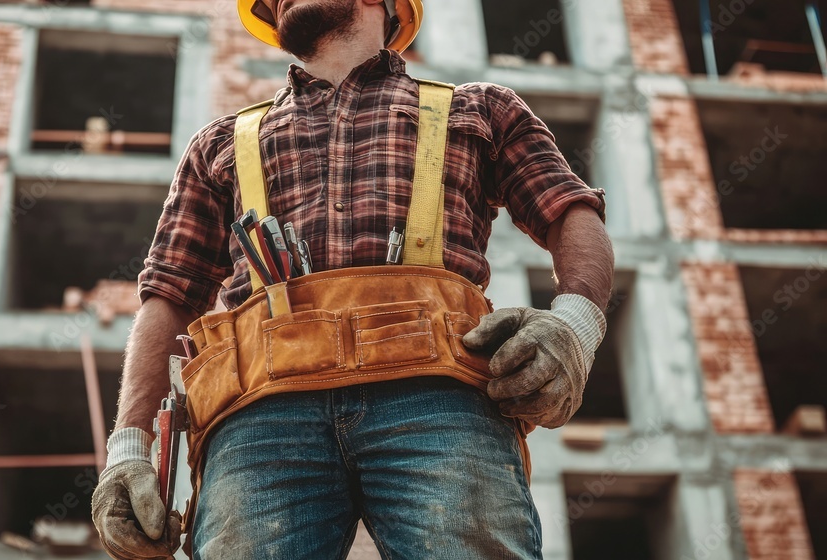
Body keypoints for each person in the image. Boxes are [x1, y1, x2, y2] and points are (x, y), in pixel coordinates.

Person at [91, 0, 614, 558]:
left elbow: (569, 211)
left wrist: (575, 331)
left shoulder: (479, 110)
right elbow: (170, 293)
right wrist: (127, 450)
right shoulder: (220, 143)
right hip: (262, 413)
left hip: (437, 398)